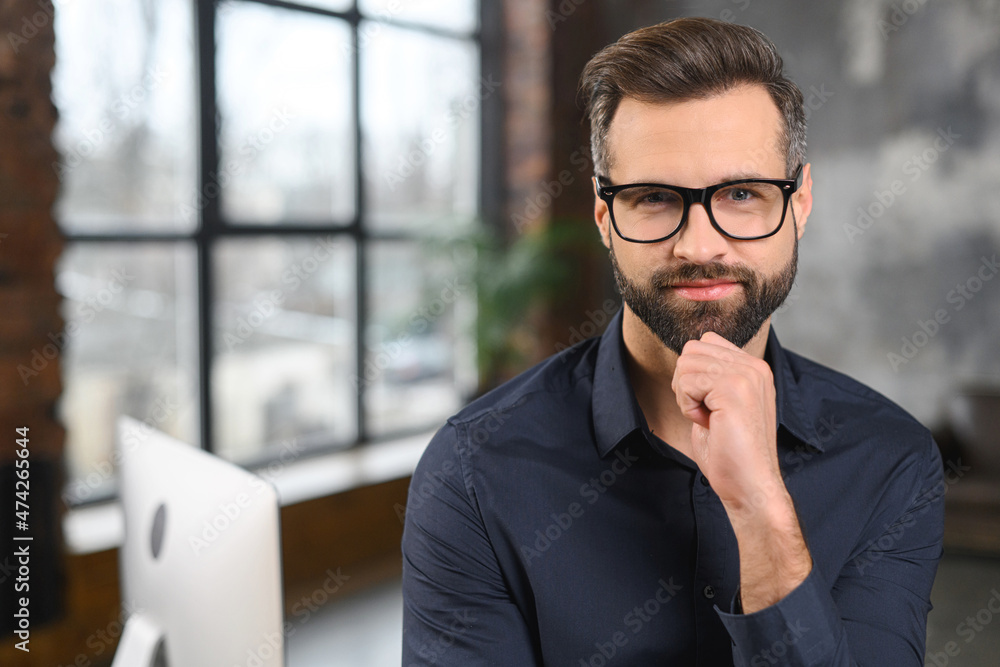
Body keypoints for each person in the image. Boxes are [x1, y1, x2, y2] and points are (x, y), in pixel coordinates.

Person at [401, 17, 944, 666]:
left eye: (741, 193)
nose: (699, 245)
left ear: (798, 205)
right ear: (605, 217)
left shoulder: (890, 460)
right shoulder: (472, 471)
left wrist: (761, 509)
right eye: (655, 197)